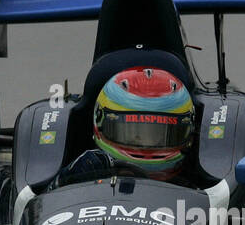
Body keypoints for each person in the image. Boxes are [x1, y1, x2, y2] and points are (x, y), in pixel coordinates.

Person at [60, 65, 198, 184]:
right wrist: (68, 179)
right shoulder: (87, 171)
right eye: (135, 135)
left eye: (158, 136)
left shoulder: (199, 186)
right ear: (100, 122)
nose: (146, 148)